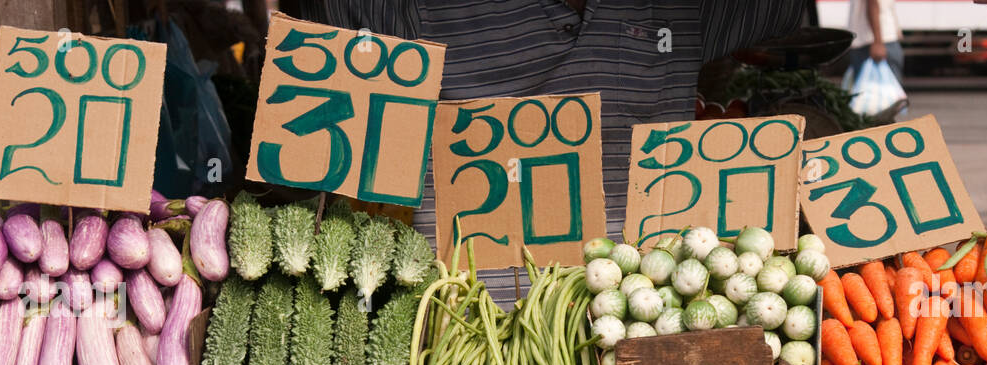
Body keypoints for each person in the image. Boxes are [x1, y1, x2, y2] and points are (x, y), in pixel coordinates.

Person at [282, 1, 809, 248]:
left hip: (643, 323)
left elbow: (786, 14)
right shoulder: (408, 9)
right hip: (458, 332)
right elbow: (316, 41)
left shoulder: (684, 8)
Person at [847, 0, 903, 84]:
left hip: (874, 41)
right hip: (876, 41)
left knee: (882, 92)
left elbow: (875, 3)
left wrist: (878, 41)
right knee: (887, 92)